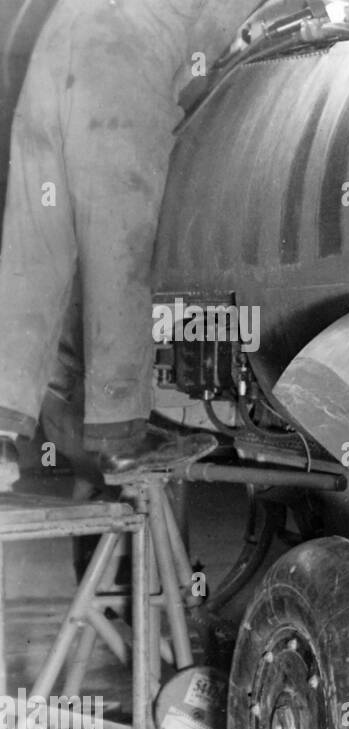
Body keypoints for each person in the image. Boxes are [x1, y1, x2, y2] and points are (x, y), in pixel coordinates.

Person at [0, 0, 262, 491]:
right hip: (122, 58)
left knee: (34, 253)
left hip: (58, 42)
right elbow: (207, 56)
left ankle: (1, 433)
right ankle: (120, 436)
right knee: (120, 254)